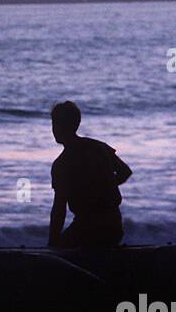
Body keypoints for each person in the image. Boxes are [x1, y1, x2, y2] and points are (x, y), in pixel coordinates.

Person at [47, 101, 133, 248]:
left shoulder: (61, 164)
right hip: (114, 226)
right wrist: (105, 184)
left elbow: (59, 209)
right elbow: (125, 172)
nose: (53, 129)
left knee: (63, 246)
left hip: (87, 227)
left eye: (55, 123)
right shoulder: (99, 147)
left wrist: (52, 244)